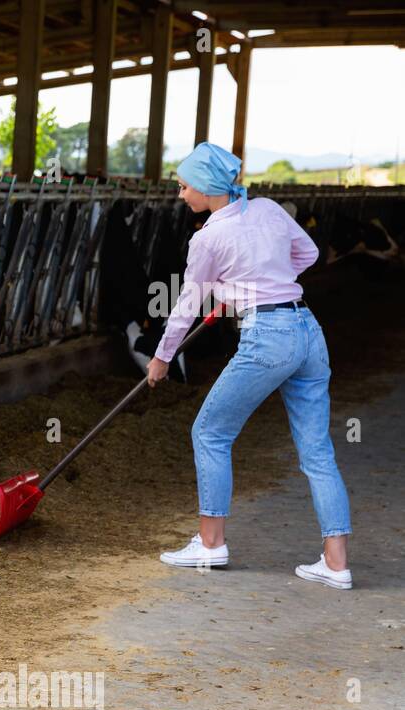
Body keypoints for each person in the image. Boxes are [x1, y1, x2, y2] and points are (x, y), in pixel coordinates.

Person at [150, 142, 352, 589]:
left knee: (209, 432)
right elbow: (309, 255)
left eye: (183, 186)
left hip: (266, 336)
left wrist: (162, 358)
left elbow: (186, 305)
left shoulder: (207, 238)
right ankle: (337, 565)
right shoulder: (268, 209)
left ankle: (210, 543)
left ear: (205, 187)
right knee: (317, 451)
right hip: (306, 328)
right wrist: (259, 283)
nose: (181, 195)